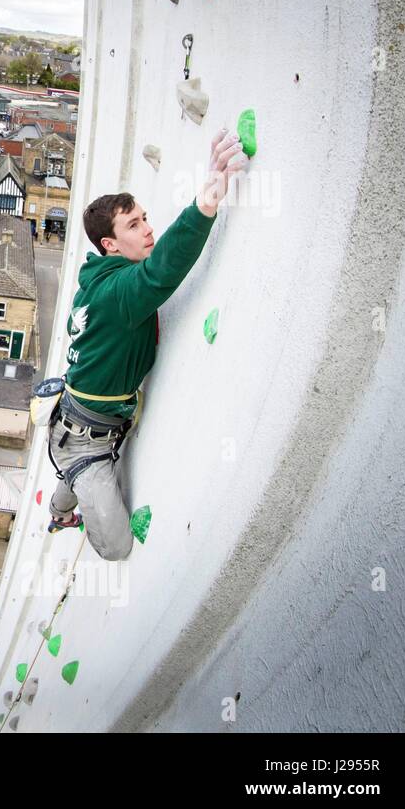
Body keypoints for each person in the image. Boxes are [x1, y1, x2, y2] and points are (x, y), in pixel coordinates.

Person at [47, 128, 248, 560]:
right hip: (87, 439)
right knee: (117, 548)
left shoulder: (98, 276)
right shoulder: (118, 293)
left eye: (145, 217)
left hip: (83, 419)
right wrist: (206, 204)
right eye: (134, 225)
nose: (149, 229)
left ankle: (61, 504)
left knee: (71, 467)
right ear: (110, 244)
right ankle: (64, 509)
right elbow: (159, 273)